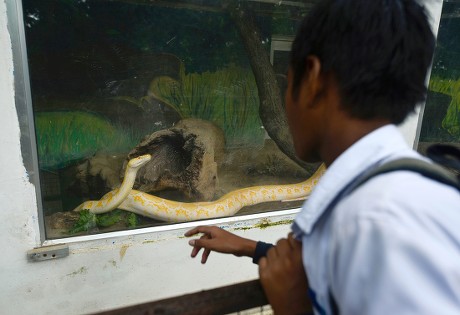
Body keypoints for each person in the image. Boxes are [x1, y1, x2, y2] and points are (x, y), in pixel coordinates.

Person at [185, 0, 460, 314]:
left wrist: (291, 306)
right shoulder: (397, 188)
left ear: (313, 79)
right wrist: (253, 248)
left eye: (287, 85)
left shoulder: (376, 219)